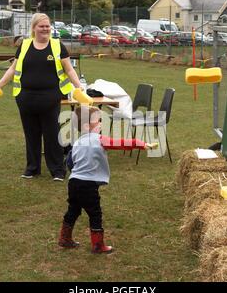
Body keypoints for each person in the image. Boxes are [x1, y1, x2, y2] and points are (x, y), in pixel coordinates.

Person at [0, 13, 82, 181]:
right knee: (31, 134)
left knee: (52, 135)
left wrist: (80, 88)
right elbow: (12, 69)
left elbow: (69, 70)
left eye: (47, 26)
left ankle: (57, 171)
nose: (45, 29)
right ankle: (32, 168)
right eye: (41, 26)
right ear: (34, 28)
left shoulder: (58, 46)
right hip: (25, 99)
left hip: (50, 99)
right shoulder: (24, 45)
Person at [58, 106, 156, 253]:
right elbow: (122, 143)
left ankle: (64, 239)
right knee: (95, 213)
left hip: (74, 182)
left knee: (73, 210)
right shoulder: (99, 139)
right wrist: (141, 144)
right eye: (98, 121)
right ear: (86, 126)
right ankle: (98, 245)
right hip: (88, 185)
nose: (101, 124)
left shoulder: (77, 143)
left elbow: (70, 163)